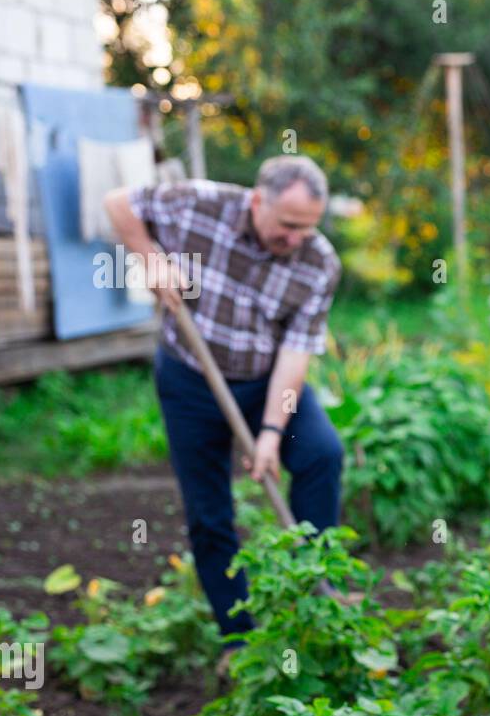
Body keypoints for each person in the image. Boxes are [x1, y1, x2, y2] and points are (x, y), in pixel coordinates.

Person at [103, 155, 344, 660]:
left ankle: (317, 597)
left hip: (265, 384)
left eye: (308, 228)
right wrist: (149, 255)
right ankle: (239, 638)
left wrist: (273, 433)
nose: (297, 238)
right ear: (259, 201)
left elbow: (296, 354)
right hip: (192, 379)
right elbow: (118, 203)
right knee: (210, 513)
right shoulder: (199, 203)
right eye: (288, 225)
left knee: (321, 454)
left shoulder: (319, 262)